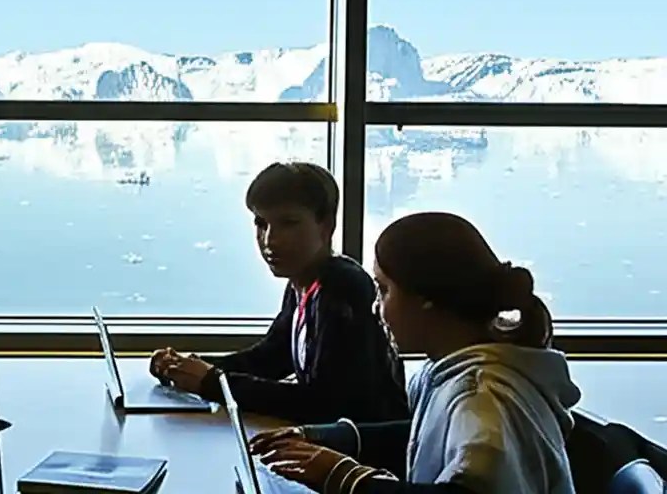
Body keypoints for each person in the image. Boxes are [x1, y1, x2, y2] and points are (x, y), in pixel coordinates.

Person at [252, 212, 581, 493]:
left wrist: (343, 477)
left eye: (384, 290)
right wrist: (325, 438)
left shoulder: (480, 397)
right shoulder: (449, 372)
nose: (375, 306)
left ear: (425, 296)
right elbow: (422, 435)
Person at [149, 162, 407, 424]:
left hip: (364, 457)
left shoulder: (343, 289)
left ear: (326, 225)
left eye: (288, 224)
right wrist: (189, 368)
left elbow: (324, 403)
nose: (270, 240)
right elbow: (270, 358)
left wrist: (214, 382)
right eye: (261, 224)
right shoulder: (303, 282)